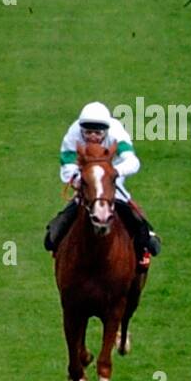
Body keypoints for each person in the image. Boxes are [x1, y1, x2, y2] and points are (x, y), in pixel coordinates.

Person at [44, 102, 162, 270]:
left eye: (97, 133)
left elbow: (132, 161)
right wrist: (81, 179)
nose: (92, 137)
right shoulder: (73, 133)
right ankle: (57, 247)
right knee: (56, 231)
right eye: (87, 132)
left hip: (112, 181)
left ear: (105, 131)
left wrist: (110, 174)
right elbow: (67, 165)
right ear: (81, 129)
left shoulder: (116, 132)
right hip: (87, 183)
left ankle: (144, 245)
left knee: (132, 215)